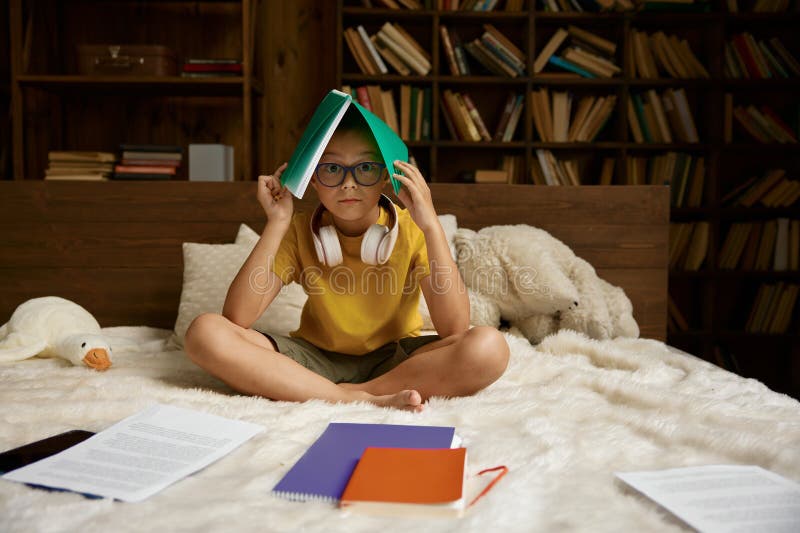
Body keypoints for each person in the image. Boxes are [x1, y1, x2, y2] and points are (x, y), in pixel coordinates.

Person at [184, 107, 509, 412]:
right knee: (205, 332)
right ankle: (350, 397)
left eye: (366, 167)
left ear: (386, 176)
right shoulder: (298, 231)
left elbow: (454, 328)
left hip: (396, 362)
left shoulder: (413, 230)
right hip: (314, 358)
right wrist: (277, 222)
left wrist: (431, 225)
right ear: (312, 178)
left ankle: (358, 390)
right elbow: (237, 316)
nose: (348, 183)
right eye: (332, 168)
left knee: (489, 347)